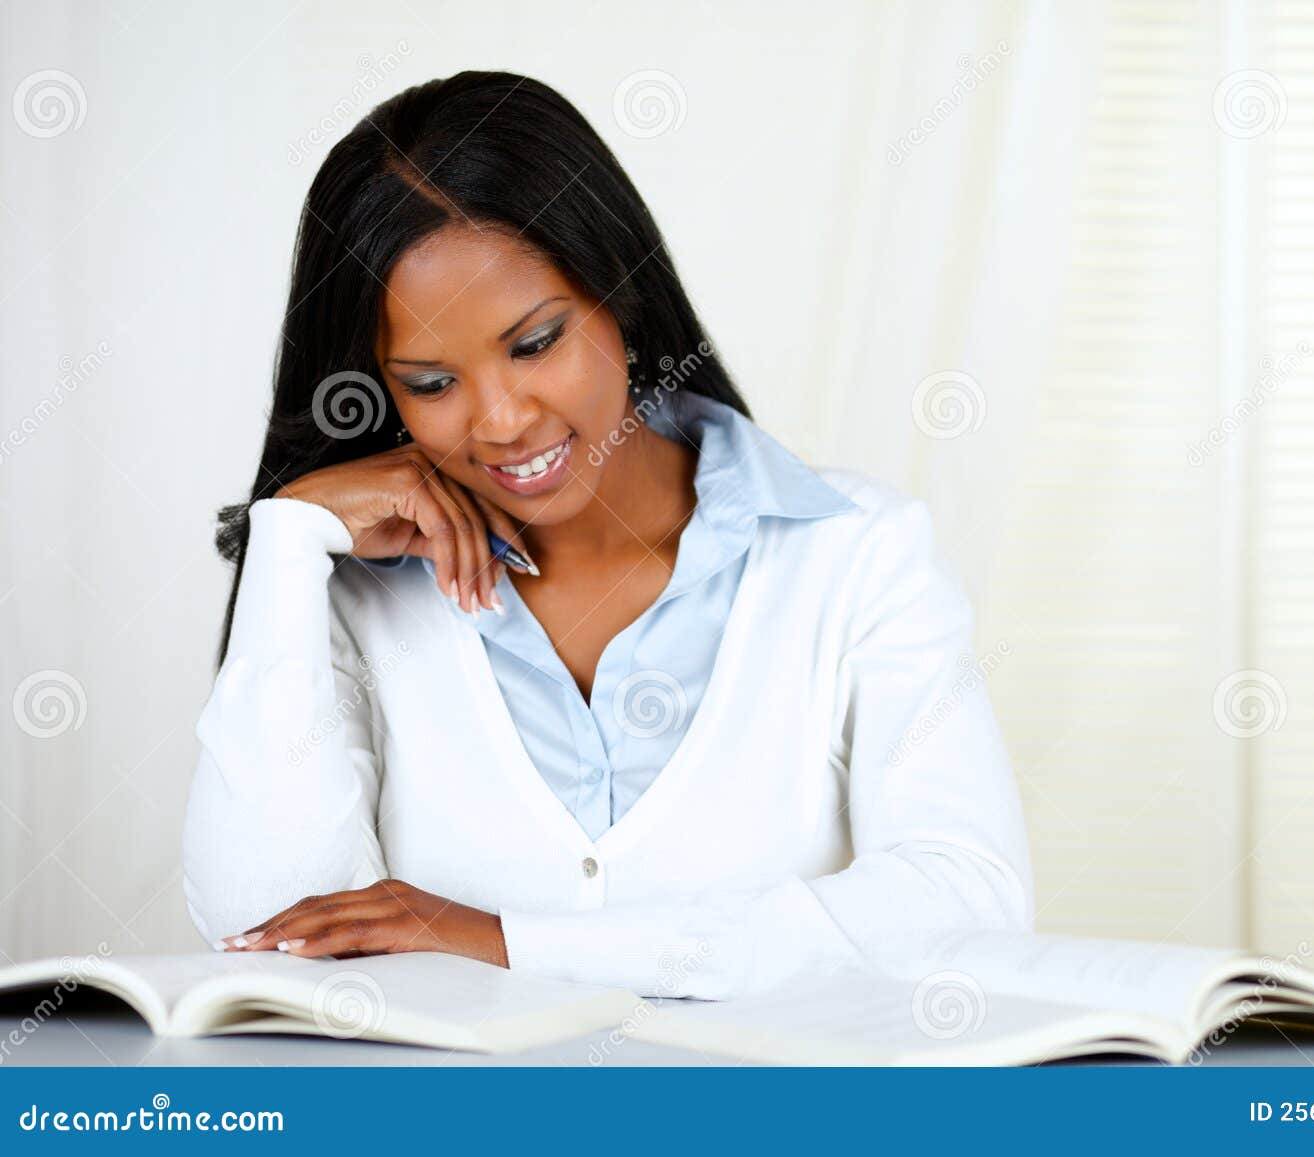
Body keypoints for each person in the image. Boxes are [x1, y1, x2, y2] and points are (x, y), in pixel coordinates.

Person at [181, 70, 1032, 998]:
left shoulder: (858, 555)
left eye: (536, 341)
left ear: (618, 294)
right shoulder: (353, 594)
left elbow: (965, 902)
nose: (500, 419)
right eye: (432, 383)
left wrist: (506, 941)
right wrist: (290, 538)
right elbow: (264, 933)